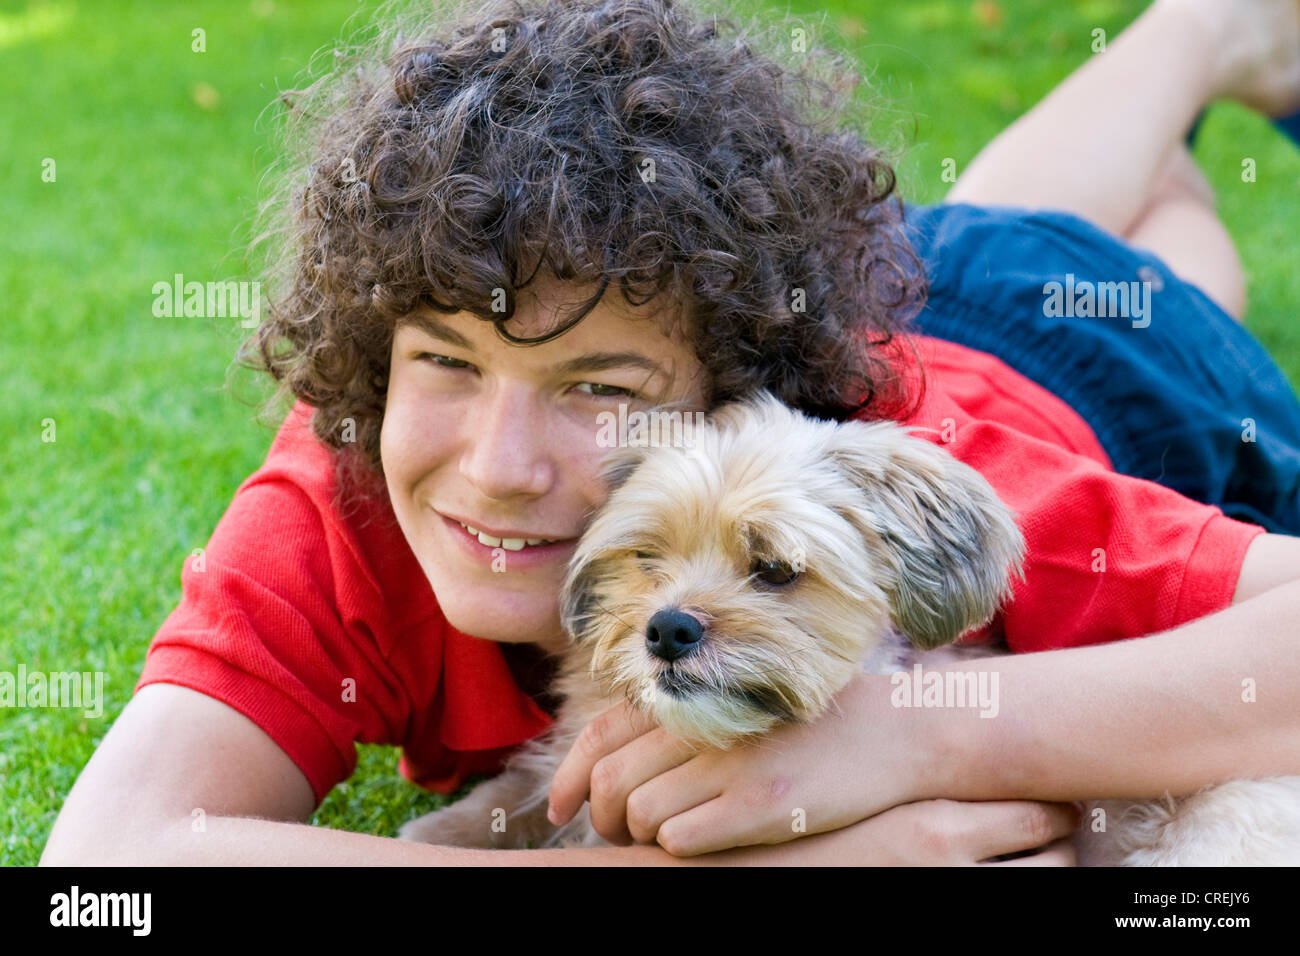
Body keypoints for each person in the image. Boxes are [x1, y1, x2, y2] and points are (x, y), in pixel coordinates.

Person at [41, 0, 1300, 866]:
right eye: (445, 361)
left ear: (740, 388)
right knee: (993, 217)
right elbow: (111, 865)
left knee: (1148, 279)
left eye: (598, 387)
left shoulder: (934, 461)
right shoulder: (363, 484)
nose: (498, 462)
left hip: (1089, 361)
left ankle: (1205, 32)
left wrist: (919, 727)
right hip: (880, 269)